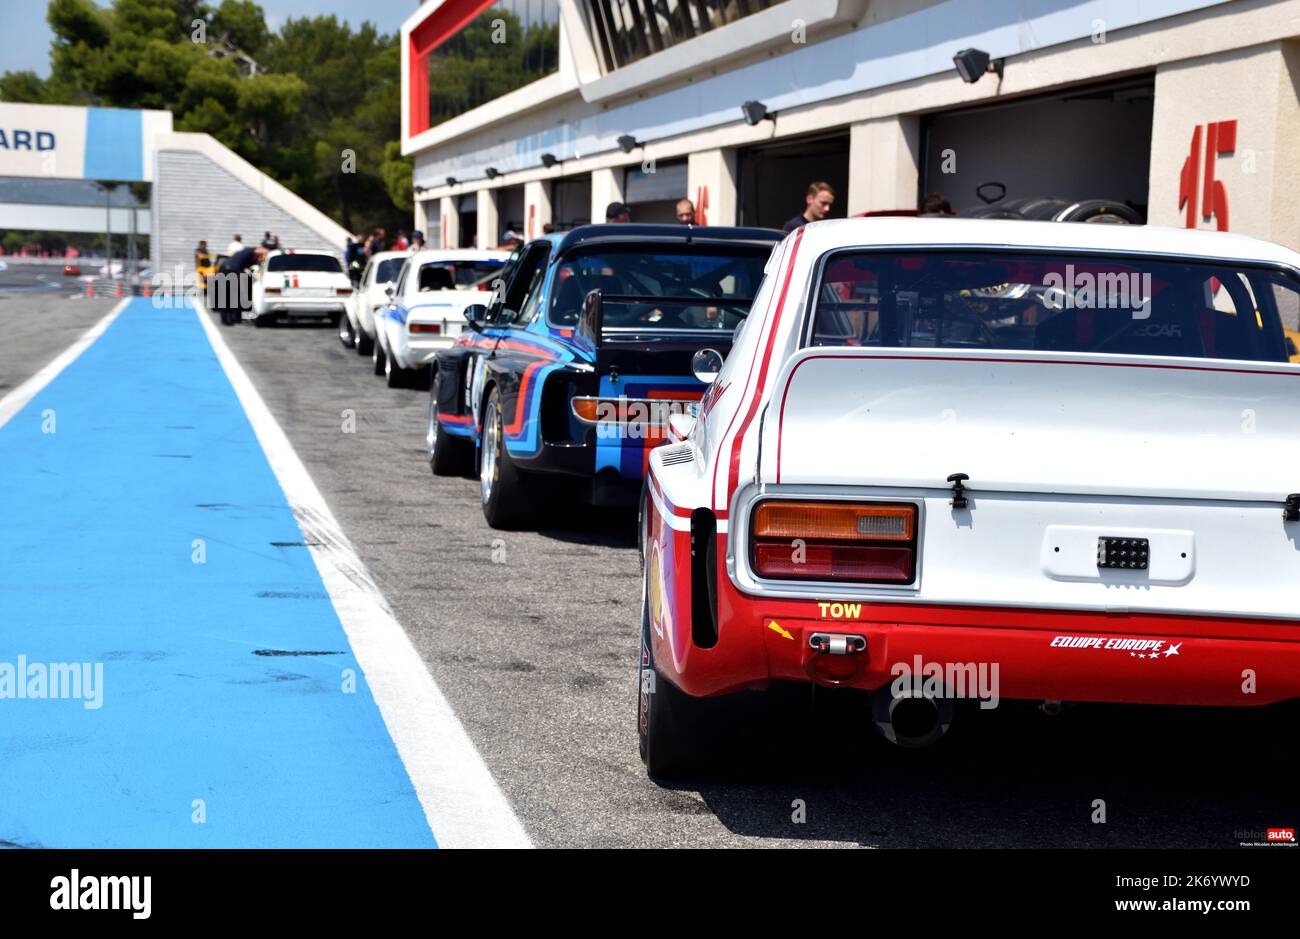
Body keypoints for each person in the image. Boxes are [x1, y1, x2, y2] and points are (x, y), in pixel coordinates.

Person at [213, 244, 266, 326]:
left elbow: (248, 268)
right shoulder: (250, 251)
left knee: (227, 295)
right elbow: (258, 251)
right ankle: (232, 319)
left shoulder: (244, 255)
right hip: (231, 270)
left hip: (225, 268)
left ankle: (228, 319)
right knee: (233, 295)